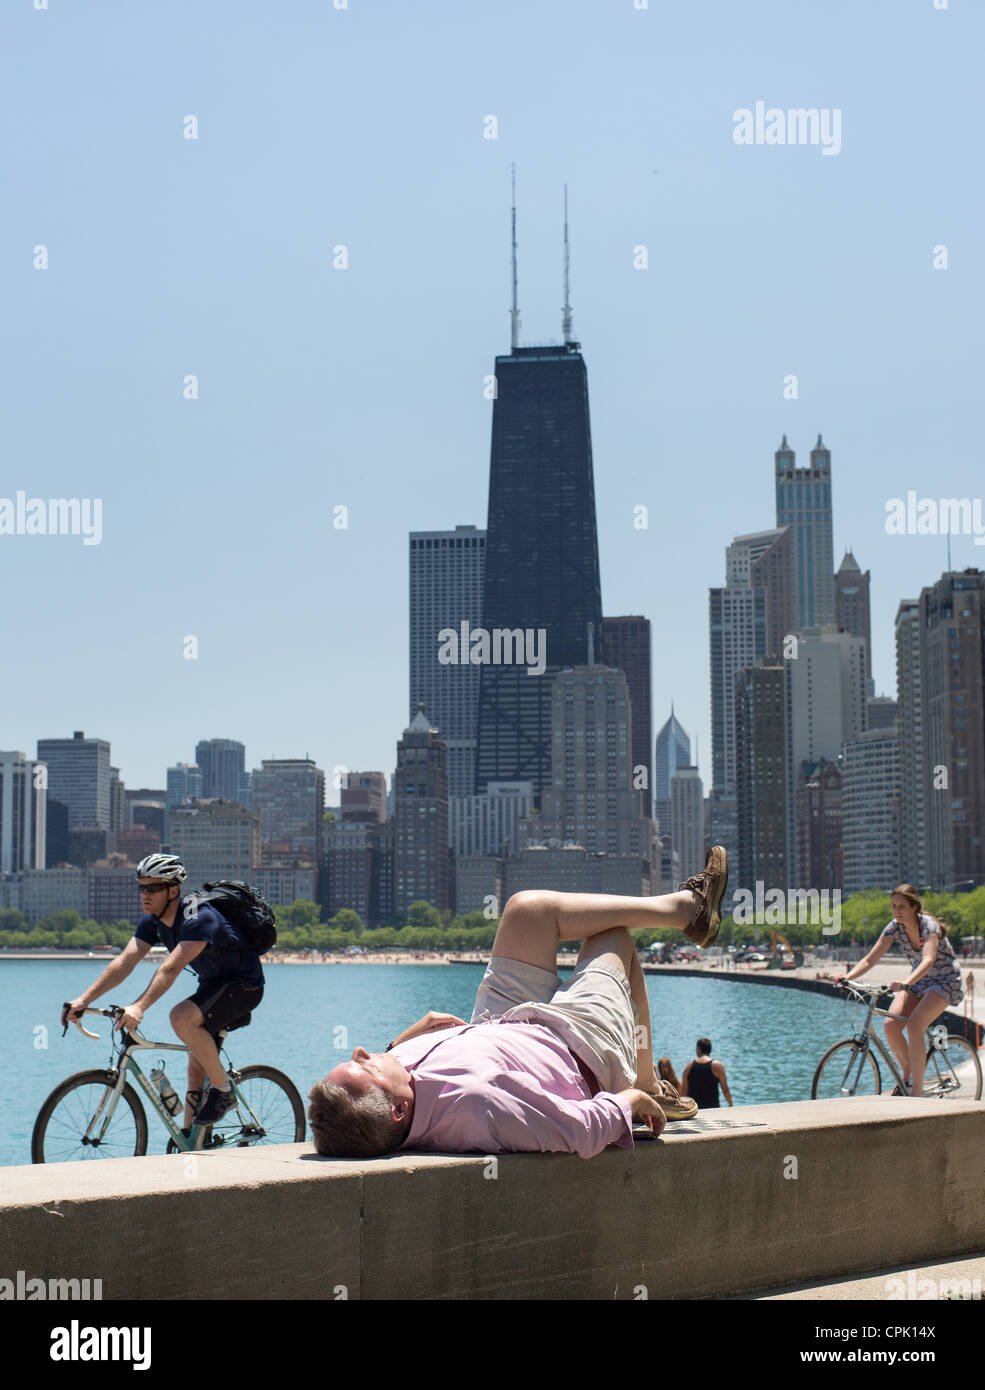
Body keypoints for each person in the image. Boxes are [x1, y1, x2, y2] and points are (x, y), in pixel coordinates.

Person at [307, 846, 729, 1158]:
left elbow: (384, 1088)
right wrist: (626, 1104)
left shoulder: (398, 1095)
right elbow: (579, 1130)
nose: (361, 1051)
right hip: (575, 1045)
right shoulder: (482, 1103)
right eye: (363, 1066)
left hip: (498, 1024)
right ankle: (644, 1080)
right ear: (400, 1110)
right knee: (611, 936)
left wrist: (401, 1044)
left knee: (526, 909)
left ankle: (687, 913)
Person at [61, 854, 264, 1128]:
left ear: (173, 890)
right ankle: (191, 1140)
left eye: (153, 888)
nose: (145, 894)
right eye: (141, 887)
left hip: (243, 985)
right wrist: (83, 1000)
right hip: (213, 986)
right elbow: (125, 962)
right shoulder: (152, 922)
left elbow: (169, 969)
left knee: (180, 1018)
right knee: (196, 1065)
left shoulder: (198, 916)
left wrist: (139, 1007)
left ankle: (224, 1092)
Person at [836, 883, 963, 1097]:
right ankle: (908, 1077)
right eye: (894, 906)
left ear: (914, 906)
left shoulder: (928, 926)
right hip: (918, 982)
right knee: (891, 1026)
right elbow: (870, 959)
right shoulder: (894, 928)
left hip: (944, 981)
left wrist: (905, 982)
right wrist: (847, 977)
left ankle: (917, 1094)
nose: (897, 911)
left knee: (914, 1026)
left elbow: (928, 960)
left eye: (902, 906)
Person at [681, 1037, 733, 1108]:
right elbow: (725, 1089)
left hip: (695, 1109)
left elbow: (684, 1091)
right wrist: (730, 1104)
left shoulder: (689, 1067)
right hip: (713, 1108)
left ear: (698, 1049)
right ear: (710, 1050)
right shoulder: (717, 1066)